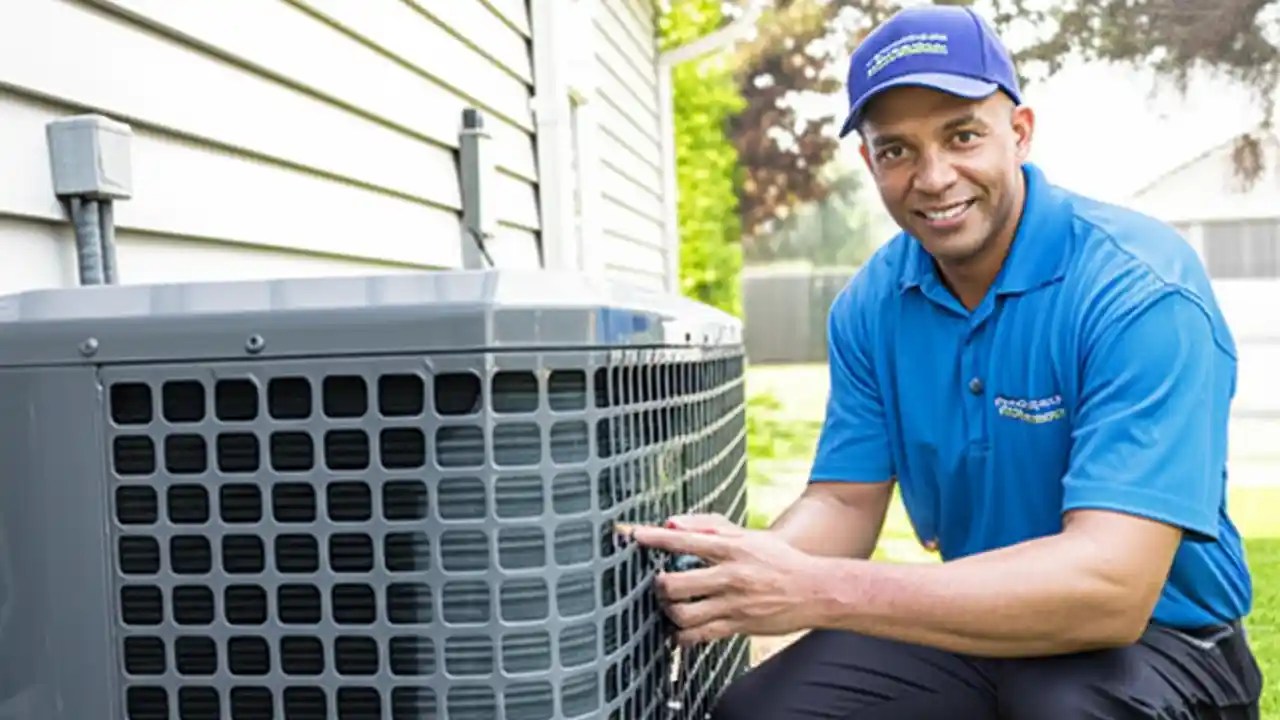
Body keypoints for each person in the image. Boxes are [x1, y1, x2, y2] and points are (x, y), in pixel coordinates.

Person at [625, 4, 1265, 718]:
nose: (933, 178)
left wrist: (817, 590)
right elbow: (843, 500)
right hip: (975, 624)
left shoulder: (1138, 289)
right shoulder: (872, 303)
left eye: (962, 136)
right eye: (897, 150)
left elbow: (1110, 589)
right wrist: (754, 564)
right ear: (870, 161)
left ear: (1018, 134)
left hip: (1161, 639)